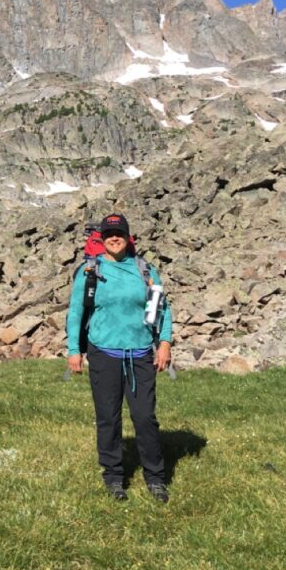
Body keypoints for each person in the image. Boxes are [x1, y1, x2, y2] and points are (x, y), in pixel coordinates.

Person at [66, 213, 173, 502]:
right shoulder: (90, 270)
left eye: (120, 233)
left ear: (128, 237)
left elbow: (162, 308)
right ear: (101, 238)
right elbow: (76, 312)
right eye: (109, 233)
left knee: (145, 418)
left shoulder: (145, 270)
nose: (115, 237)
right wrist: (74, 351)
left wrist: (164, 343)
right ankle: (113, 476)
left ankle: (155, 478)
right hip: (104, 354)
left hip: (140, 354)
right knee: (108, 419)